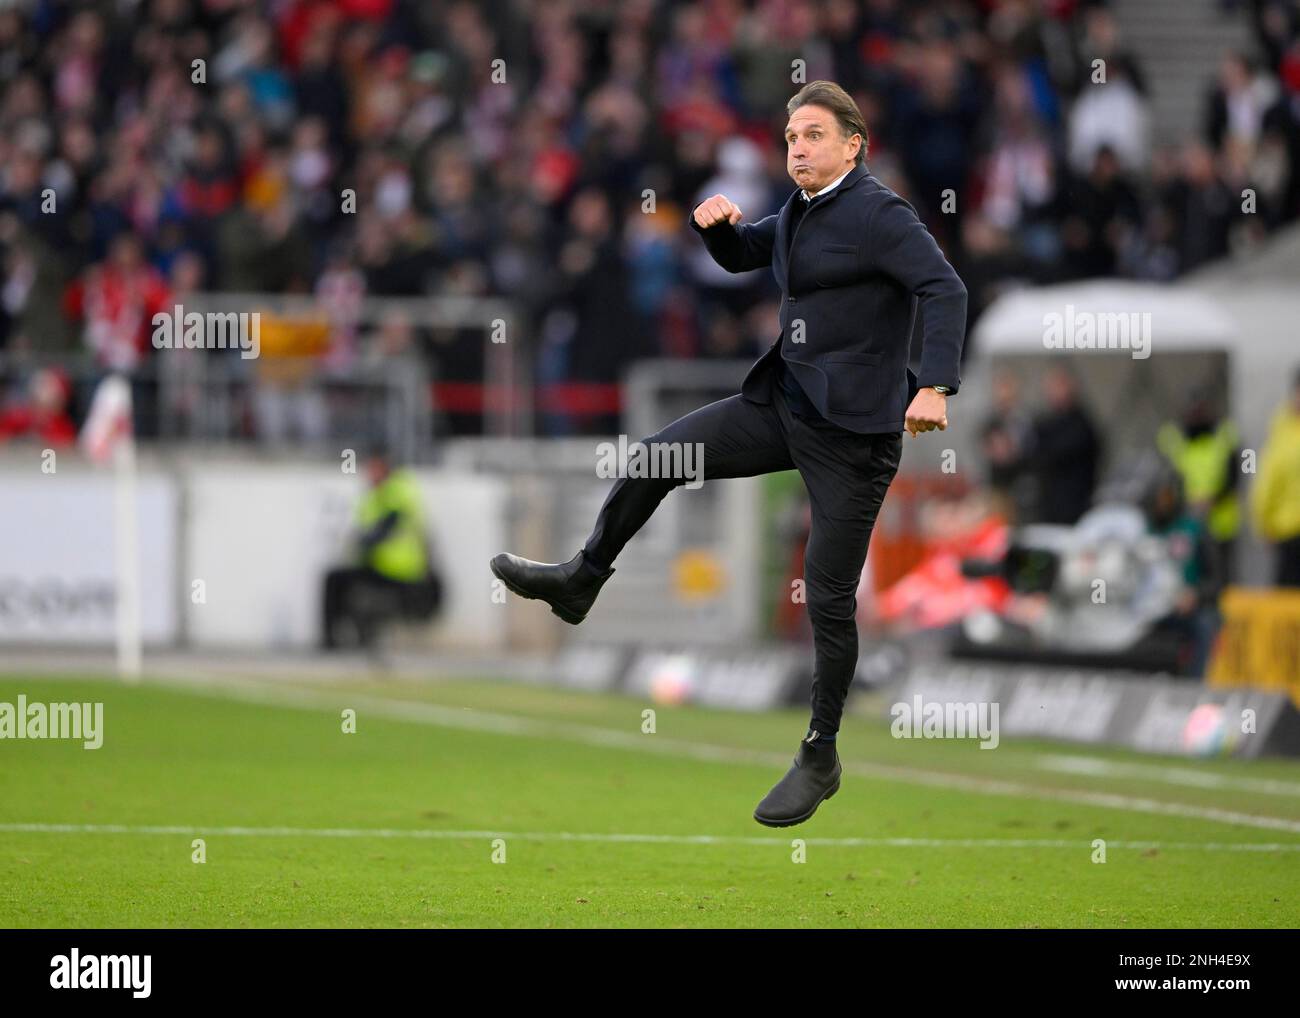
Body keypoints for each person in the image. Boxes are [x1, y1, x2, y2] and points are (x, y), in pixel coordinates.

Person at [490, 81, 966, 827]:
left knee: (827, 596)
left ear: (852, 144)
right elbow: (749, 252)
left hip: (854, 439)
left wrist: (935, 383)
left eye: (812, 135)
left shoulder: (880, 213)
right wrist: (717, 230)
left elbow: (945, 288)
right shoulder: (805, 214)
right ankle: (583, 578)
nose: (797, 148)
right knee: (656, 459)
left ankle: (820, 752)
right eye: (788, 138)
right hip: (787, 405)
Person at [321, 447, 441, 650]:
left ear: (385, 467)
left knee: (338, 580)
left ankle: (336, 642)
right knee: (336, 579)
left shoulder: (401, 487)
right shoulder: (372, 495)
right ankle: (338, 640)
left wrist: (365, 540)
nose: (370, 473)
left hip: (402, 571)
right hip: (379, 567)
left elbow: (387, 525)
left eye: (374, 468)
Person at [1156, 387, 1241, 583]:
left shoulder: (1225, 434)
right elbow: (1166, 480)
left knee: (1220, 575)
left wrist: (1214, 499)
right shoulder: (1172, 438)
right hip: (1185, 521)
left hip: (1221, 521)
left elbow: (1236, 474)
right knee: (1185, 572)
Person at [1030, 365, 1102, 524]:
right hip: (1050, 508)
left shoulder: (1082, 425)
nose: (1053, 392)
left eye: (1058, 386)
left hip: (1075, 507)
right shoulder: (1047, 422)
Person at [1251, 368, 1300, 587]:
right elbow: (1265, 485)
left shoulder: (1280, 434)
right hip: (1288, 532)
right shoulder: (1280, 434)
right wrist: (1264, 524)